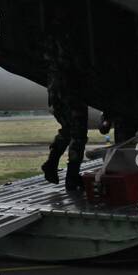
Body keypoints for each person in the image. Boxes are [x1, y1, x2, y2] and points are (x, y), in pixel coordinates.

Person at [43, 40, 88, 191]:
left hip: (55, 91)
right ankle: (72, 176)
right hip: (70, 91)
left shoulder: (50, 41)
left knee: (67, 130)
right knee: (78, 134)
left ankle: (51, 163)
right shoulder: (68, 40)